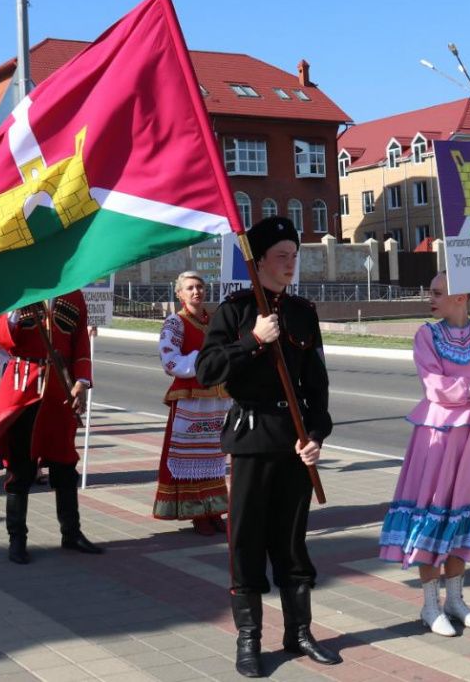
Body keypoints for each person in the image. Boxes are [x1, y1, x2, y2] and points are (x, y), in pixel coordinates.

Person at [196, 217, 341, 676]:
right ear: (258, 261)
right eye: (282, 256)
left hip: (294, 441)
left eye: (294, 256)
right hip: (252, 439)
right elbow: (207, 369)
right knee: (247, 541)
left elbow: (317, 385)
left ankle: (299, 632)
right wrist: (254, 340)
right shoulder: (235, 309)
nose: (290, 264)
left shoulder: (303, 312)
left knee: (292, 541)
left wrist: (317, 436)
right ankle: (249, 639)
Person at [379, 272, 470, 636]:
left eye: (437, 292)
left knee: (465, 512)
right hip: (437, 433)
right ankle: (430, 606)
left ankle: (456, 601)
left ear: (461, 296)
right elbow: (435, 388)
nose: (429, 298)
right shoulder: (426, 335)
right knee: (433, 511)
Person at [0, 291, 103, 565]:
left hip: (60, 389)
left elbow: (80, 342)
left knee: (64, 464)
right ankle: (17, 538)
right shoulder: (19, 290)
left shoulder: (73, 293)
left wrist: (82, 381)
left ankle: (71, 533)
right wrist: (13, 315)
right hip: (23, 388)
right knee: (20, 469)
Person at [152, 271, 230, 534]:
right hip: (190, 400)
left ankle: (214, 509)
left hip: (216, 400)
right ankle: (196, 512)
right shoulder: (175, 323)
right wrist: (205, 363)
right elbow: (170, 360)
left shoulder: (215, 321)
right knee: (188, 457)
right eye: (190, 288)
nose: (196, 291)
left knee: (212, 455)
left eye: (199, 287)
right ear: (179, 294)